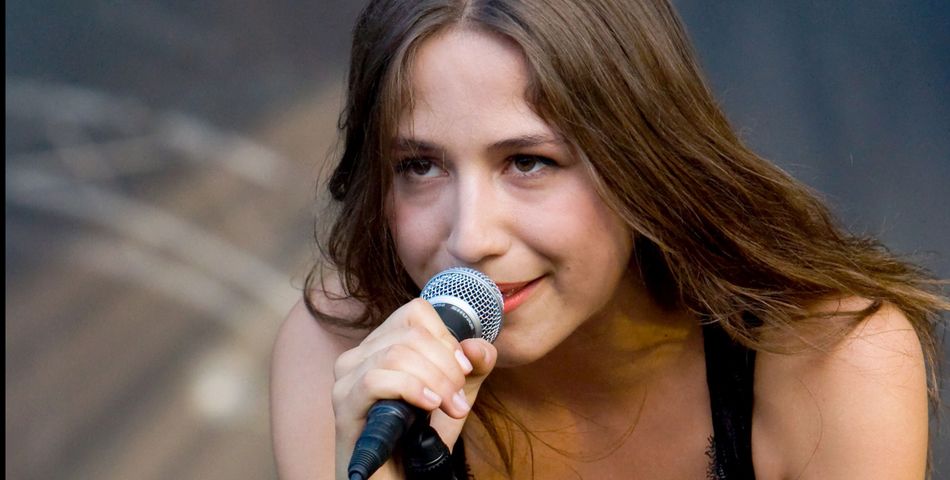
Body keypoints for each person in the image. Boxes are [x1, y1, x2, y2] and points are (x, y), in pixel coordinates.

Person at [270, 0, 947, 478]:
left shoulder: (832, 357)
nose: (470, 238)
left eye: (529, 162)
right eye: (419, 166)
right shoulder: (345, 353)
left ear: (642, 158)